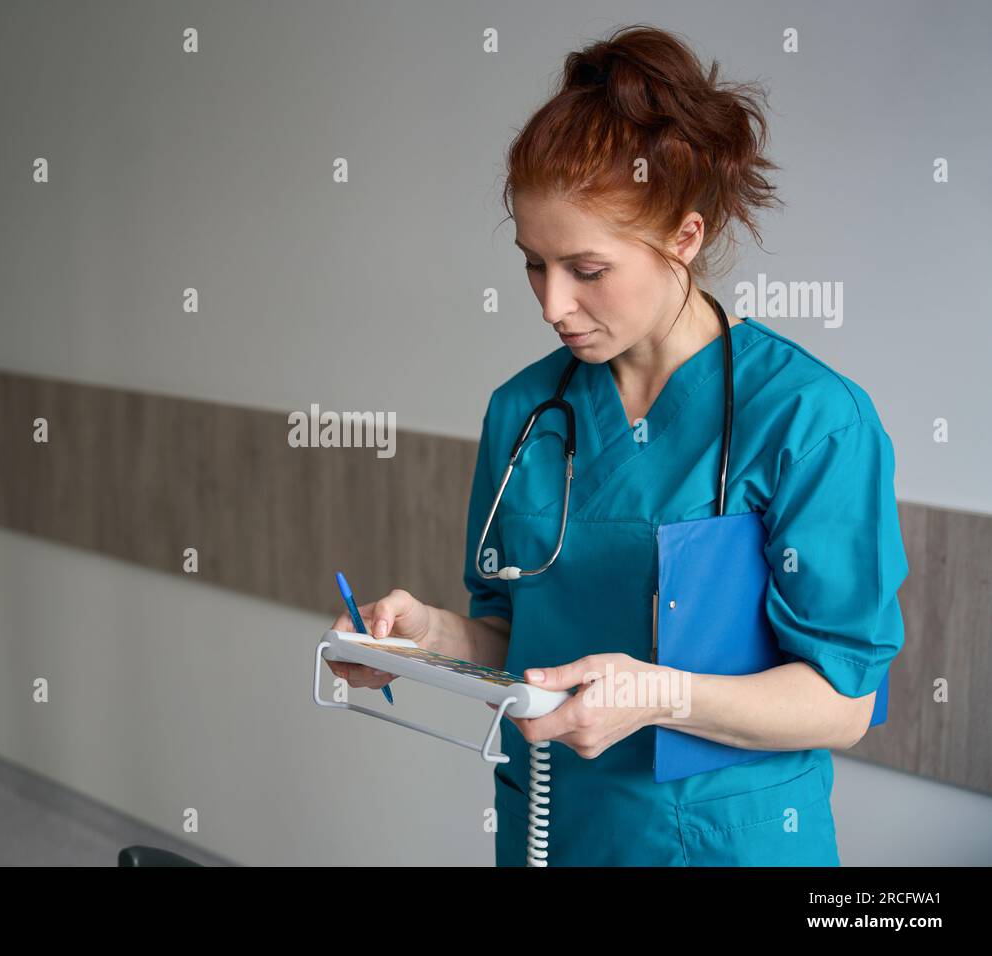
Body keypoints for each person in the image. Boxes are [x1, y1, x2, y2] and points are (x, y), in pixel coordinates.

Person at [327, 23, 907, 866]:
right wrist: (429, 637)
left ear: (684, 237)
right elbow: (515, 642)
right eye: (533, 264)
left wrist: (659, 695)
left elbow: (842, 702)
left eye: (586, 269)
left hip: (726, 842)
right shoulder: (523, 411)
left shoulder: (812, 420)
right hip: (552, 827)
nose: (552, 304)